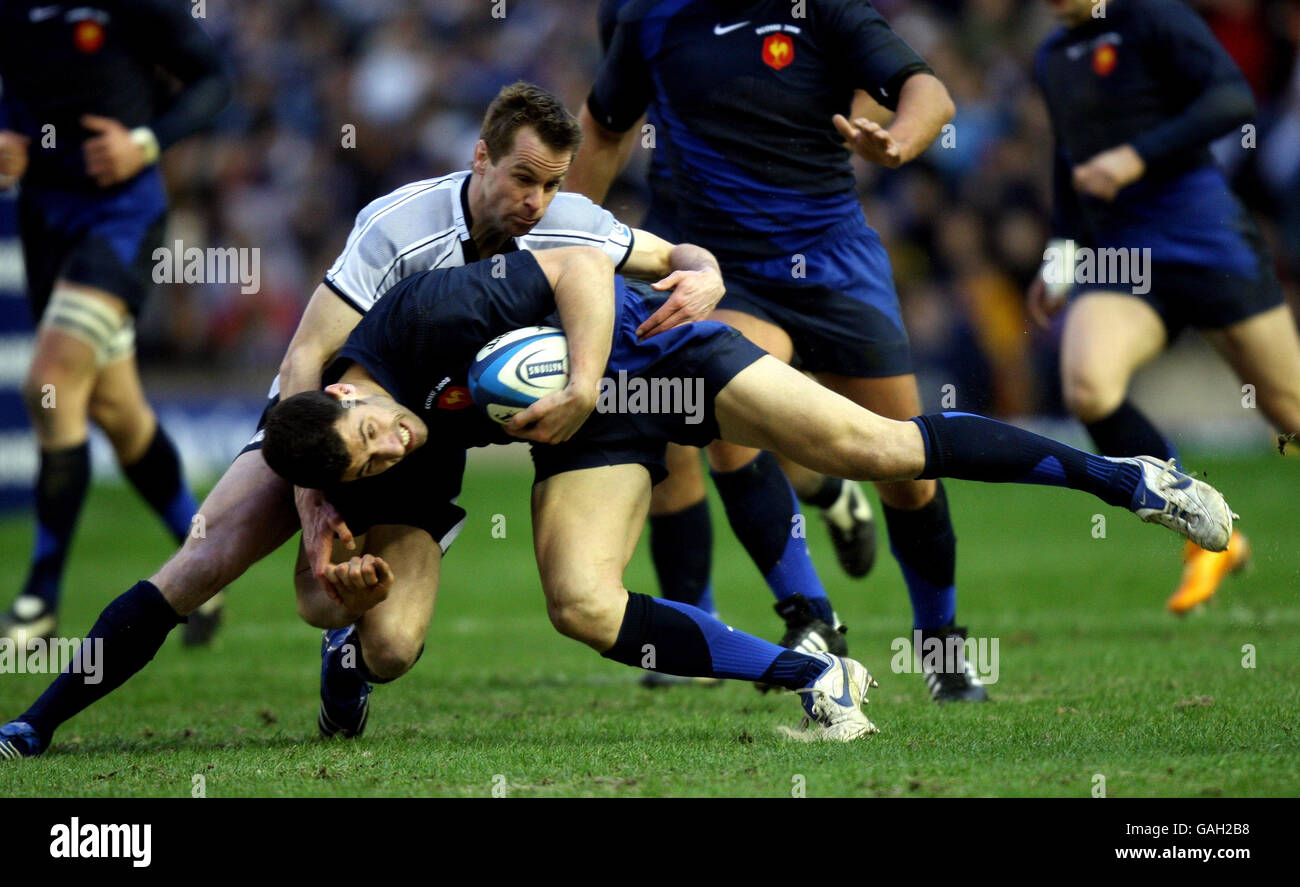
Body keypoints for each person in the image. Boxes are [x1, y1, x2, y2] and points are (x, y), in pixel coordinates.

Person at [0, 81, 730, 755]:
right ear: (481, 157)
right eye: (523, 178)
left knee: (394, 647)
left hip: (423, 442)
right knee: (203, 562)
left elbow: (676, 255)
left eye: (553, 184)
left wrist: (709, 271)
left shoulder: (565, 220)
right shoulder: (397, 226)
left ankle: (347, 660)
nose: (538, 201)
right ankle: (37, 722)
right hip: (326, 420)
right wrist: (312, 500)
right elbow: (303, 361)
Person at [252, 249, 1227, 748]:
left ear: (348, 391)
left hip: (641, 351)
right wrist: (337, 576)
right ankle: (812, 676)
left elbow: (583, 266)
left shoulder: (423, 316)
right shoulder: (349, 462)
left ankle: (1131, 478)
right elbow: (311, 587)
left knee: (879, 445)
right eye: (372, 461)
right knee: (580, 607)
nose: (395, 445)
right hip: (584, 433)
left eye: (375, 431)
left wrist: (589, 376)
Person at [567, 0, 986, 702]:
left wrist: (901, 140)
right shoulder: (650, 18)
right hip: (718, 271)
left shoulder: (823, 9)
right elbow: (605, 132)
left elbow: (929, 92)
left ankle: (941, 647)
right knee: (724, 422)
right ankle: (813, 619)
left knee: (905, 466)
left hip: (835, 263)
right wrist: (560, 246)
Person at [593, 0, 880, 645]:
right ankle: (696, 618)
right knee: (673, 429)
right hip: (668, 240)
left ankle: (827, 502)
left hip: (744, 255)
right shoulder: (640, 18)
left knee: (729, 413)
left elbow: (872, 85)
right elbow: (606, 122)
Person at [1028, 0, 1300, 613]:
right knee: (1088, 387)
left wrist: (1136, 157)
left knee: (1289, 412)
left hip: (1206, 236)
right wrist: (1060, 258)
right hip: (1124, 253)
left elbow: (1232, 98)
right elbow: (1066, 160)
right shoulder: (1051, 56)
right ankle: (1207, 535)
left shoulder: (1151, 16)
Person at [0, 0, 231, 646]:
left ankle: (39, 602)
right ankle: (204, 569)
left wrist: (147, 140)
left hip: (121, 219)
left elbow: (215, 79)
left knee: (48, 379)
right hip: (46, 222)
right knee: (118, 411)